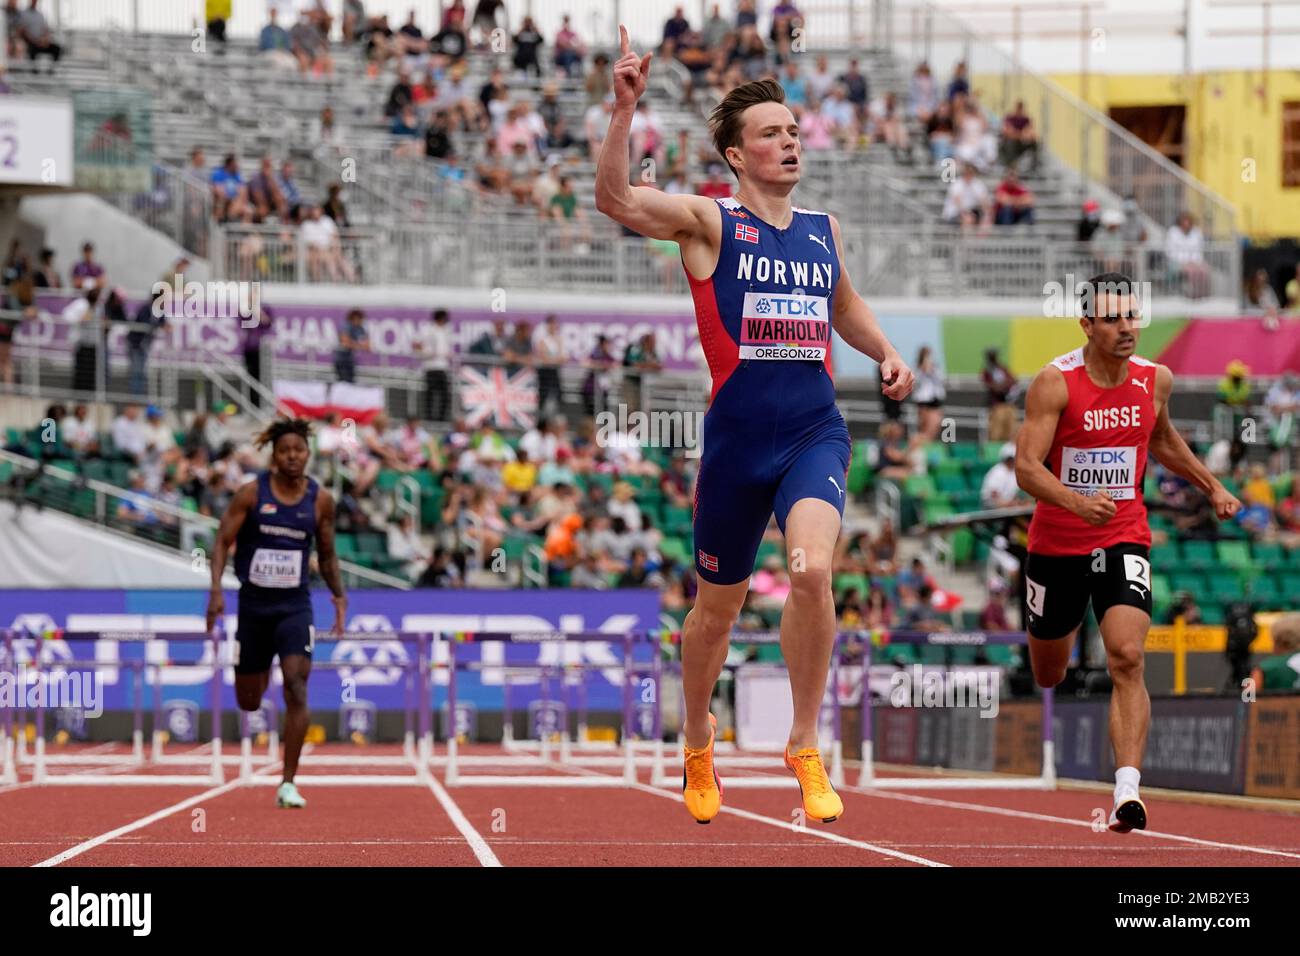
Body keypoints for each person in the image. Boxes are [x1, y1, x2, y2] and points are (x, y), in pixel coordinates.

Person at [594, 29, 914, 825]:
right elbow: (617, 200)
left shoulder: (822, 230)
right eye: (771, 132)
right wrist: (622, 111)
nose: (790, 140)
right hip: (736, 449)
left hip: (813, 434)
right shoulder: (709, 222)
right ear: (737, 155)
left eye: (794, 130)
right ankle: (698, 738)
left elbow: (844, 306)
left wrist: (884, 352)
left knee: (810, 572)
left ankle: (804, 743)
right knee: (715, 613)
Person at [1015, 272, 1240, 834]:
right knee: (1048, 671)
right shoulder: (1055, 383)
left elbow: (1160, 439)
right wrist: (1074, 501)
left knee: (1127, 657)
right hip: (1057, 544)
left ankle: (1127, 791)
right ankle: (1053, 645)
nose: (1126, 328)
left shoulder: (1154, 379)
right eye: (1112, 319)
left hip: (1123, 535)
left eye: (1131, 316)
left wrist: (1210, 485)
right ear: (1086, 324)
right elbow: (1025, 467)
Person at [205, 418, 346, 810]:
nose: (291, 457)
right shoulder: (251, 494)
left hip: (294, 607)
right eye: (284, 451)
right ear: (273, 454)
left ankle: (288, 782)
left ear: (308, 454)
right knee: (250, 700)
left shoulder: (320, 501)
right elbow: (221, 541)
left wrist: (338, 596)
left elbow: (329, 555)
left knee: (297, 687)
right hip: (253, 607)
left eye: (298, 450)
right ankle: (260, 667)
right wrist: (216, 590)